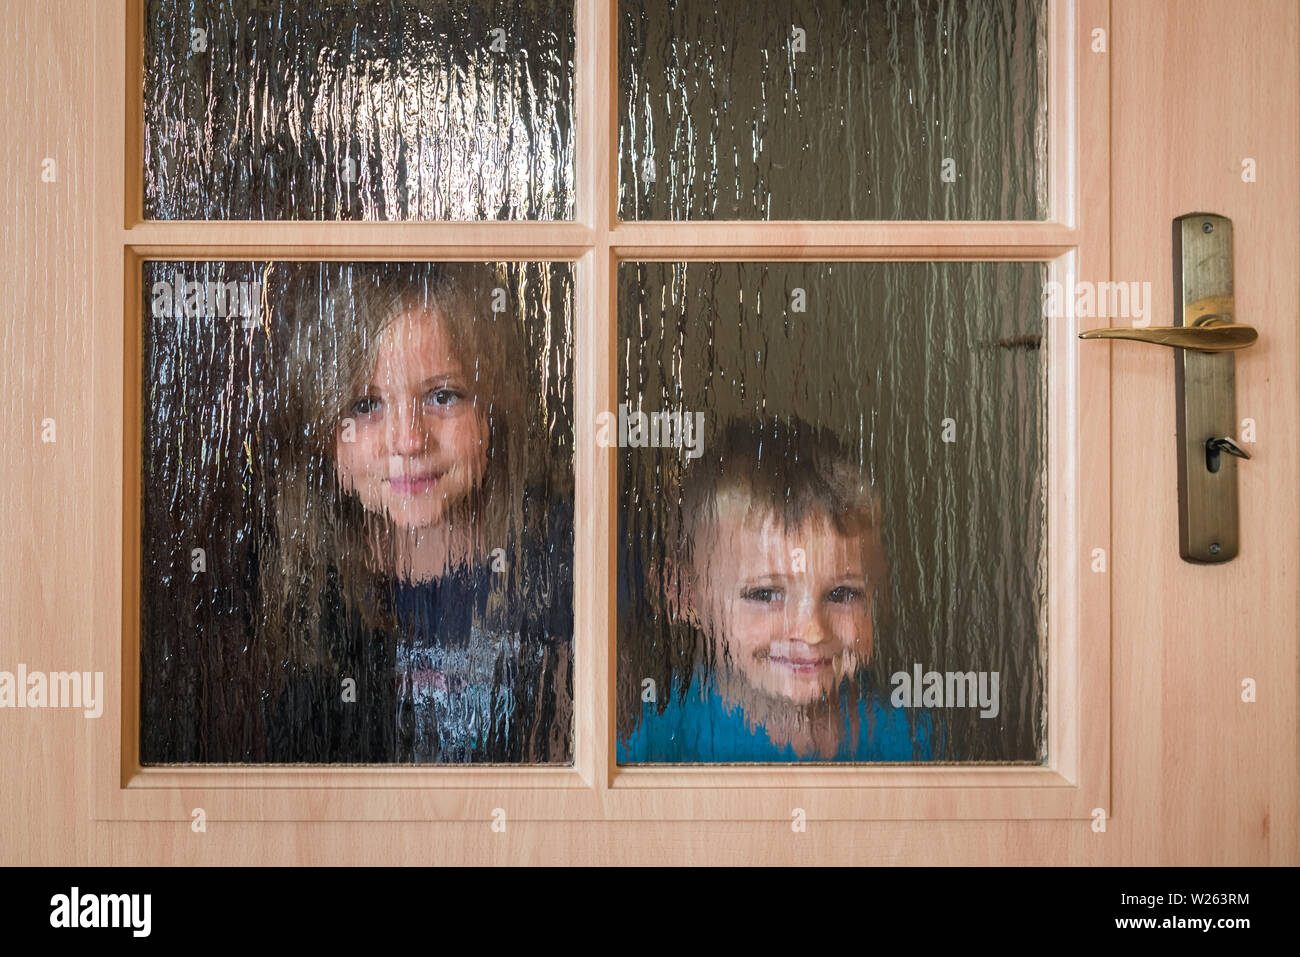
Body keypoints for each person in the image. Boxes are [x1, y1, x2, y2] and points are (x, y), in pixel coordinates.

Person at [256, 261, 573, 764]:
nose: (408, 440)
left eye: (443, 396)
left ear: (497, 412)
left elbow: (573, 778)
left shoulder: (559, 553)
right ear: (319, 428)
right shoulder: (300, 574)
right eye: (364, 405)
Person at [618, 416, 936, 762]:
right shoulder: (649, 743)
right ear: (683, 594)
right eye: (765, 594)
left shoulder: (909, 735)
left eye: (842, 593)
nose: (812, 631)